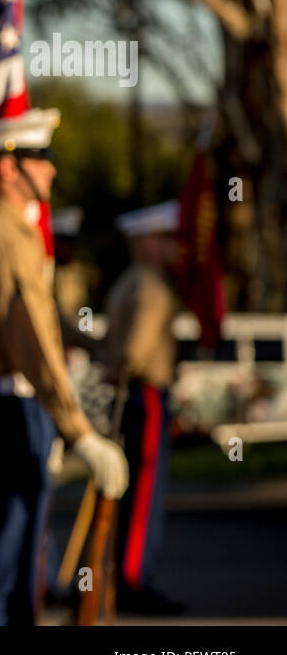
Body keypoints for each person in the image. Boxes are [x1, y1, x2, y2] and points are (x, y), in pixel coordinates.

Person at [0, 108, 129, 625]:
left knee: (3, 567)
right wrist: (80, 432)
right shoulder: (4, 238)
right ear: (9, 169)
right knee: (5, 574)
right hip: (5, 411)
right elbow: (32, 343)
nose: (50, 170)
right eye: (40, 157)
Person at [102, 201, 184, 615]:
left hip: (132, 393)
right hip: (146, 393)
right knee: (144, 494)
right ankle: (133, 577)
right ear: (148, 242)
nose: (174, 247)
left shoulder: (129, 280)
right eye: (167, 238)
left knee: (134, 491)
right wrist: (123, 368)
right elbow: (135, 349)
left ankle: (127, 576)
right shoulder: (151, 286)